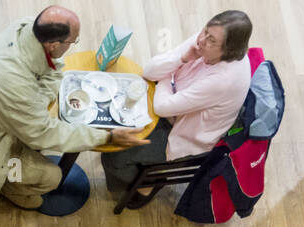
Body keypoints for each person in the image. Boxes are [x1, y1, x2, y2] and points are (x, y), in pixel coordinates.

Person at [0, 6, 149, 210]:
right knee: (52, 178)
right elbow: (42, 134)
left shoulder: (25, 27)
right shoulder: (13, 84)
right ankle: (8, 187)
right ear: (53, 44)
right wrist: (107, 136)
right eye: (72, 41)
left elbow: (54, 69)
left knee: (39, 127)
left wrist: (35, 105)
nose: (72, 46)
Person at [102, 11, 254, 207]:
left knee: (114, 156)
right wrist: (181, 60)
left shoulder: (223, 80)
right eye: (205, 31)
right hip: (175, 105)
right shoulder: (203, 43)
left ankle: (146, 186)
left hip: (185, 133)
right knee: (115, 113)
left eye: (211, 40)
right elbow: (149, 71)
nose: (201, 40)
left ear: (228, 51)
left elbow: (162, 106)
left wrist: (169, 74)